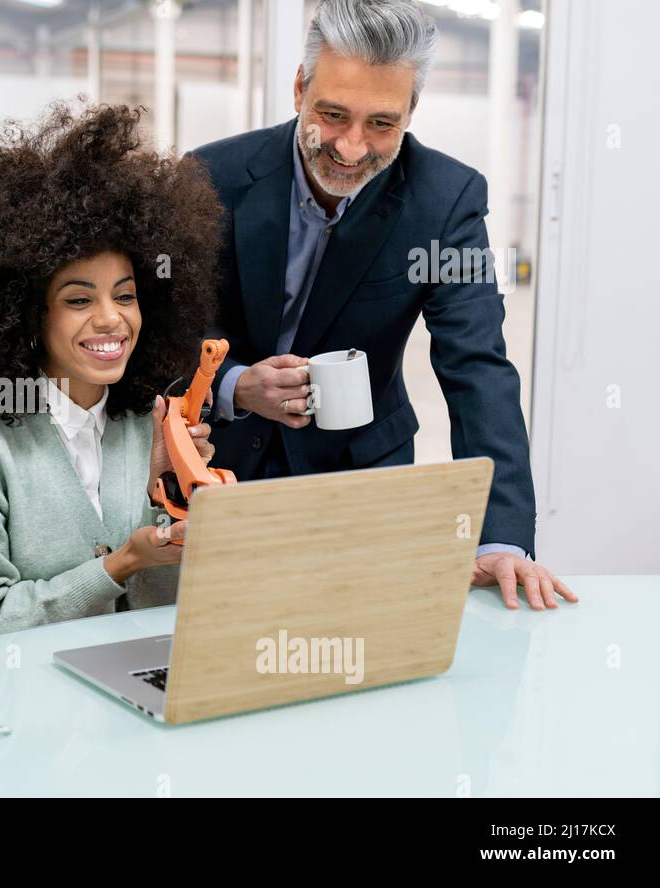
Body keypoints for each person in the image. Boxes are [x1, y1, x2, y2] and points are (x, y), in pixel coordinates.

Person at [193, 0, 574, 611]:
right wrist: (235, 385)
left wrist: (501, 537)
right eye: (332, 114)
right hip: (220, 466)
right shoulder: (212, 176)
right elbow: (165, 326)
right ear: (299, 89)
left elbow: (476, 365)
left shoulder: (444, 202)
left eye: (381, 124)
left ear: (411, 112)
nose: (350, 147)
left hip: (360, 473)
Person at [0, 103, 223, 648]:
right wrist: (119, 565)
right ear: (26, 314)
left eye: (126, 295)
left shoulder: (146, 424)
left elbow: (167, 610)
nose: (111, 318)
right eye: (79, 299)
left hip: (120, 691)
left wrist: (169, 494)